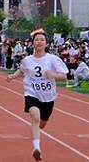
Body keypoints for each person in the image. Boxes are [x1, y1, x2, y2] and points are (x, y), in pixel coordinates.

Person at [7, 32, 69, 161]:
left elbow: (64, 76)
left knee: (42, 123)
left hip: (48, 96)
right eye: (37, 40)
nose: (39, 42)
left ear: (46, 43)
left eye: (42, 40)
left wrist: (53, 75)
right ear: (33, 43)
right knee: (35, 116)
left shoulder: (53, 59)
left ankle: (35, 131)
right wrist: (13, 76)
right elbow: (22, 70)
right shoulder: (27, 60)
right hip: (32, 93)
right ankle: (37, 148)